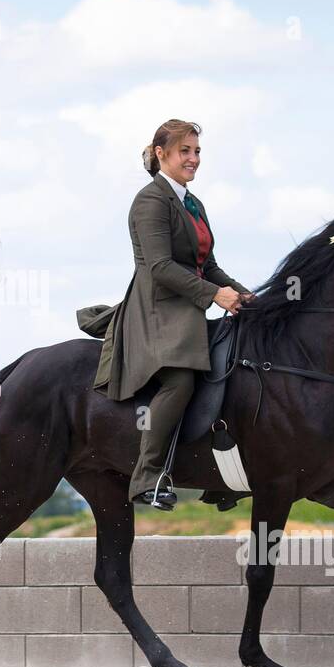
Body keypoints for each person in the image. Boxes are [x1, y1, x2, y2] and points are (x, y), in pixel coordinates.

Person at [81, 118, 252, 511]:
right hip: (157, 311)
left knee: (236, 363)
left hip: (188, 305)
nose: (193, 159)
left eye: (197, 152)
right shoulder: (150, 200)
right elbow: (159, 266)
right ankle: (148, 477)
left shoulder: (192, 203)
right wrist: (214, 295)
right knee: (182, 381)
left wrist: (243, 294)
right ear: (161, 154)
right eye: (185, 151)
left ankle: (223, 476)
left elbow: (206, 265)